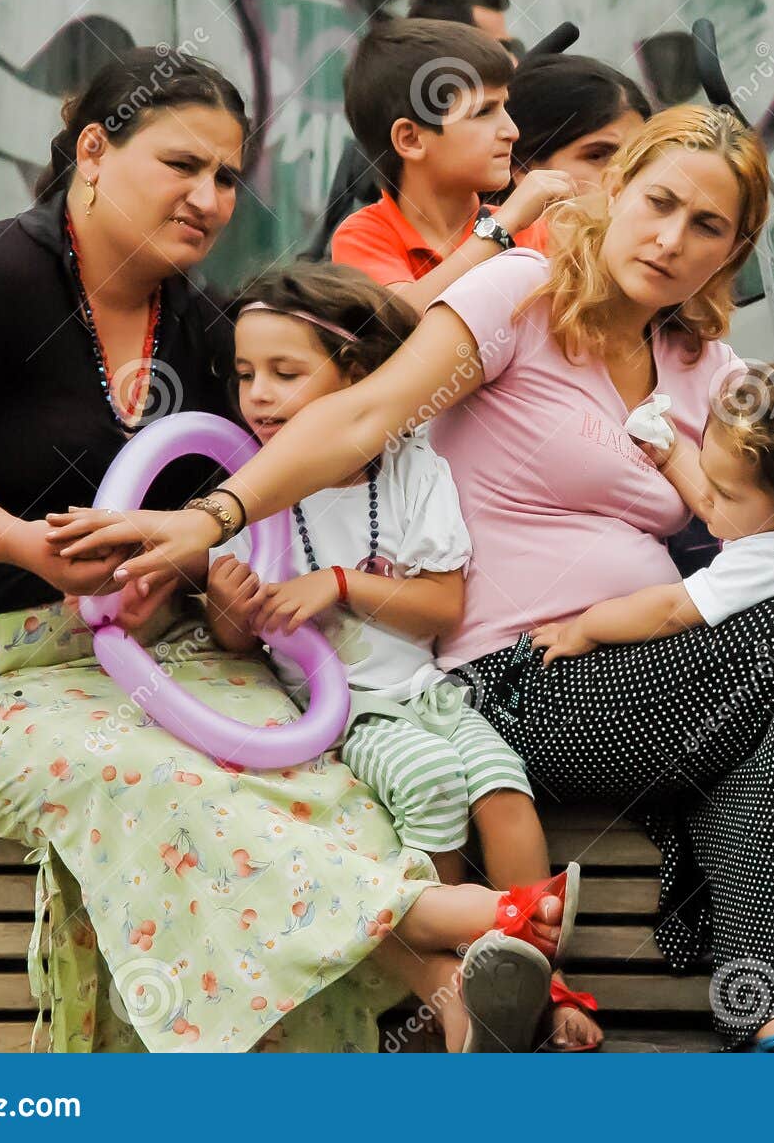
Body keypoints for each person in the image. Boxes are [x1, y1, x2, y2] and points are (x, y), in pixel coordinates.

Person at [47, 105, 774, 1052]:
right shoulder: (520, 295)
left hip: (651, 676)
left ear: (733, 249)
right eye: (658, 202)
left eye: (707, 226)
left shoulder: (702, 364)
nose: (671, 240)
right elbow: (358, 415)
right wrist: (210, 517)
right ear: (614, 191)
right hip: (506, 684)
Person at [0, 50, 575, 1055]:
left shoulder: (201, 323)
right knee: (156, 780)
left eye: (226, 177)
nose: (210, 197)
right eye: (183, 164)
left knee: (317, 771)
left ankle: (446, 997)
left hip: (126, 653)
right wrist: (23, 545)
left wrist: (178, 578)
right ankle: (441, 927)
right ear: (95, 151)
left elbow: (359, 361)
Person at [205, 259, 601, 1050]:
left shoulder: (415, 470)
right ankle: (451, 986)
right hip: (345, 712)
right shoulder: (249, 487)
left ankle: (531, 978)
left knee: (499, 782)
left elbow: (441, 604)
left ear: (358, 377)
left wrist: (341, 583)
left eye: (286, 372)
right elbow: (232, 639)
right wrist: (232, 607)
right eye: (246, 374)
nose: (259, 395)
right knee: (428, 783)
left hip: (427, 688)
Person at [533, 366, 774, 684]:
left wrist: (585, 628)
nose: (711, 502)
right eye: (709, 478)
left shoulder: (773, 554)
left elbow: (669, 609)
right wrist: (670, 457)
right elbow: (713, 500)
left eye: (729, 495)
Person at [330, 19, 571, 310]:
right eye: (483, 112)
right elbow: (399, 323)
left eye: (504, 106)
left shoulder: (534, 230)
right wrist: (502, 228)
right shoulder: (364, 236)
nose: (512, 131)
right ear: (411, 139)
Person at [504, 54, 653, 193]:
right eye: (597, 155)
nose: (626, 177)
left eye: (640, 158)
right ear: (522, 169)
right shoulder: (494, 220)